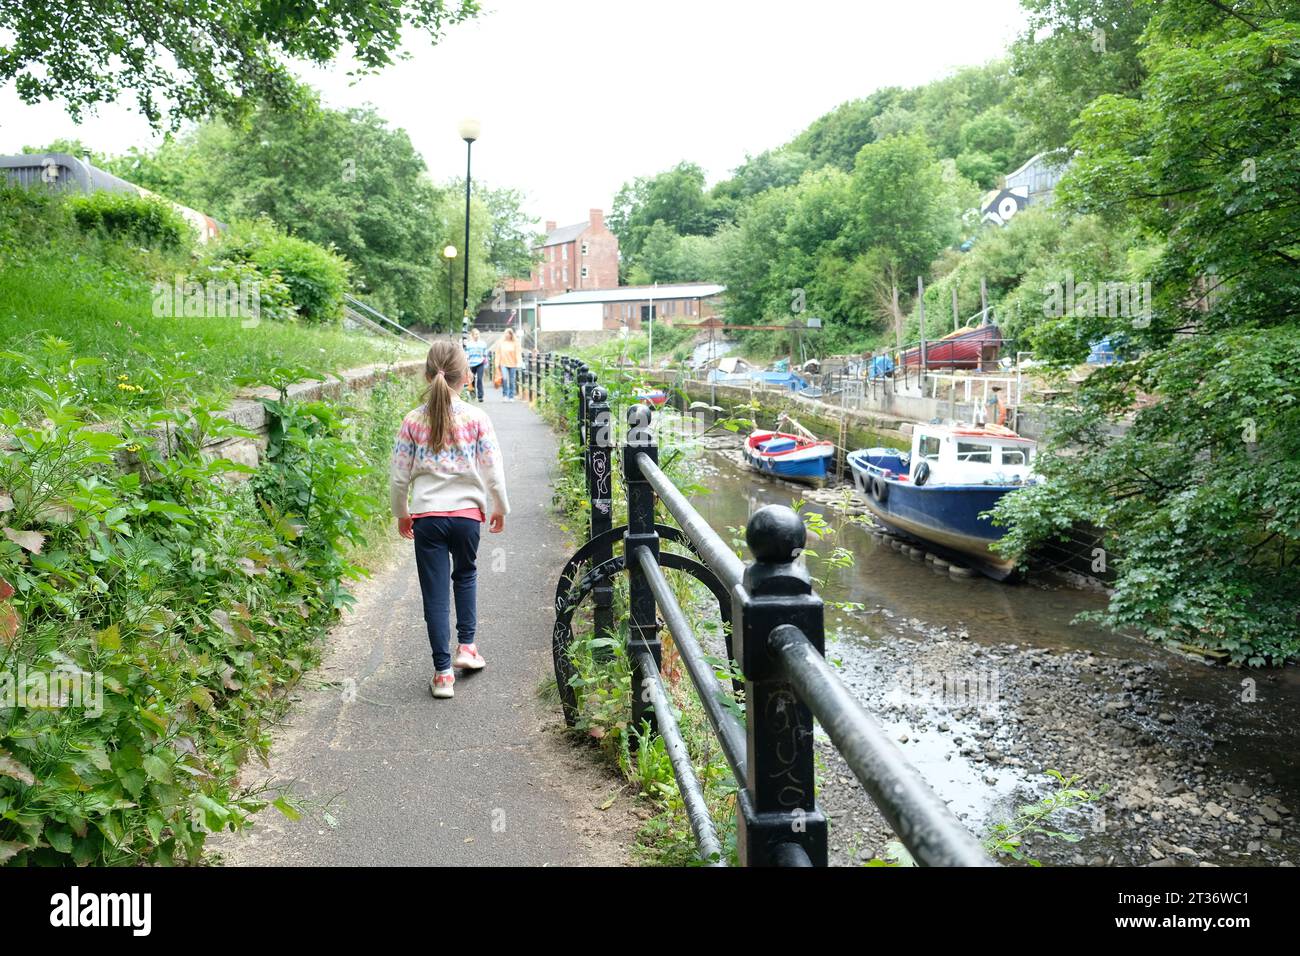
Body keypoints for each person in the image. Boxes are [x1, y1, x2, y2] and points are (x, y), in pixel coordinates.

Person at [391, 341, 509, 699]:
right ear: (467, 377)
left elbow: (399, 476)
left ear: (428, 375)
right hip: (467, 517)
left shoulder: (412, 421)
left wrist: (402, 513)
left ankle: (443, 674)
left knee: (435, 593)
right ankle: (467, 648)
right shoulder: (477, 418)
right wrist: (500, 506)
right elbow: (493, 469)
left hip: (428, 517)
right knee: (466, 575)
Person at [495, 327, 522, 402]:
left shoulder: (515, 343)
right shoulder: (501, 343)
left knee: (512, 380)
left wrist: (519, 362)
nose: (507, 335)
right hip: (503, 363)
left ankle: (511, 396)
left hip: (513, 364)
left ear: (511, 335)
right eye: (506, 333)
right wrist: (497, 363)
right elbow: (498, 353)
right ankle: (505, 395)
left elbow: (518, 353)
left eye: (509, 333)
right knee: (504, 379)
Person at [464, 328, 488, 402]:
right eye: (475, 334)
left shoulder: (483, 344)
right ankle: (473, 395)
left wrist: (485, 362)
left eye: (478, 334)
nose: (477, 335)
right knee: (472, 380)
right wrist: (466, 362)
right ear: (472, 335)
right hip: (471, 364)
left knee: (480, 379)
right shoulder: (468, 344)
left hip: (480, 363)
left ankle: (480, 396)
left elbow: (485, 354)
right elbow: (466, 354)